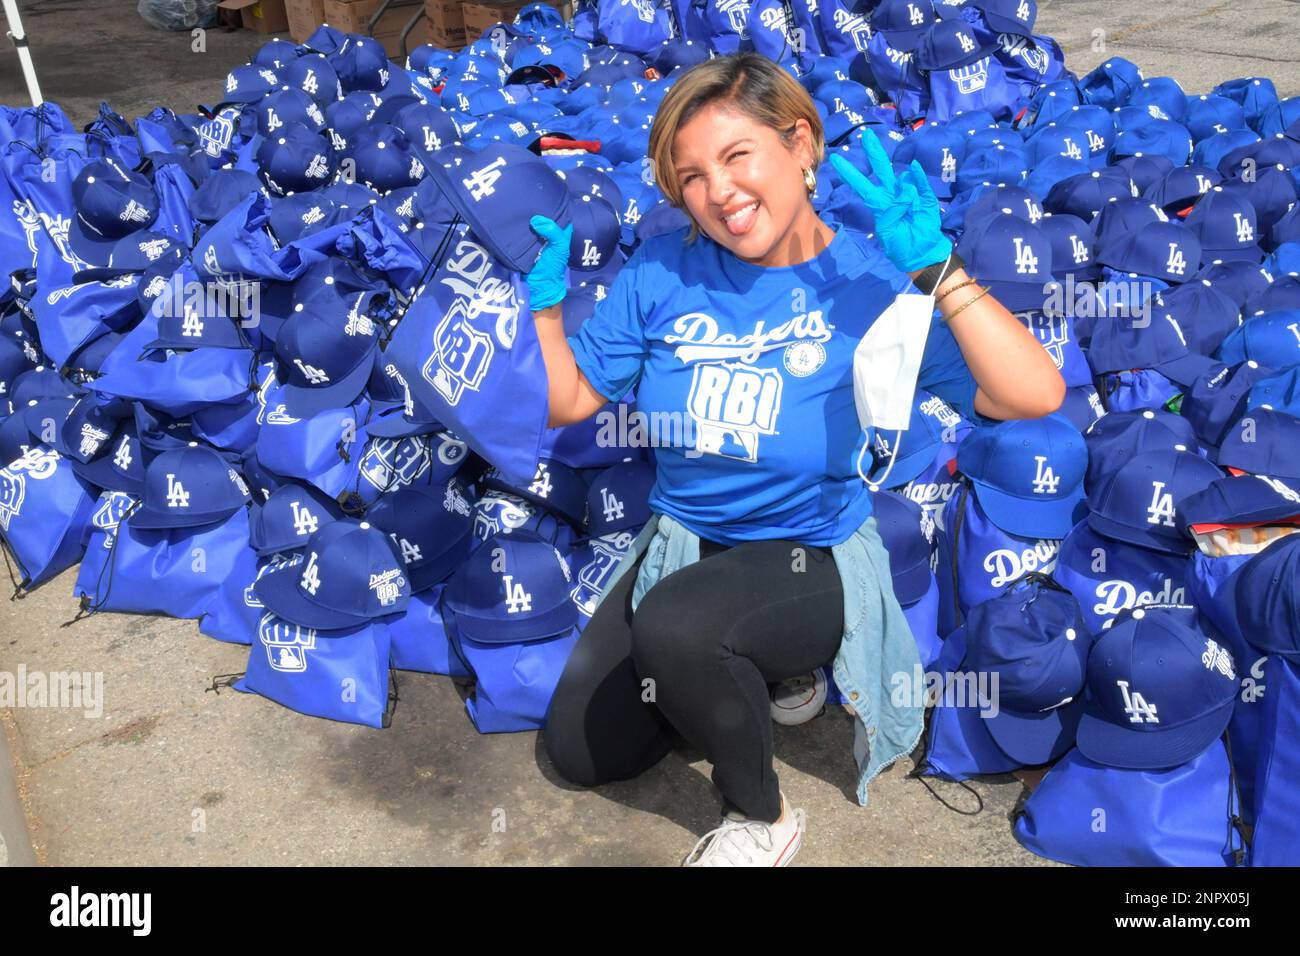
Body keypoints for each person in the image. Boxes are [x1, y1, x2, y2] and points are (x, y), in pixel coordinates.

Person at [526, 52, 1065, 867]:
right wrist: (545, 307)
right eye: (693, 176)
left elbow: (1032, 395)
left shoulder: (868, 282)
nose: (720, 193)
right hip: (686, 542)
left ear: (802, 145)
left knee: (681, 627)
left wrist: (938, 269)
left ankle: (760, 816)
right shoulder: (662, 272)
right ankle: (735, 673)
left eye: (738, 156)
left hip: (809, 555)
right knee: (581, 750)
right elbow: (571, 403)